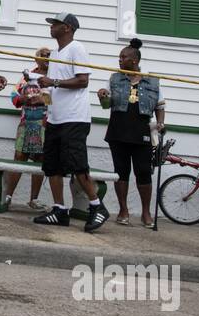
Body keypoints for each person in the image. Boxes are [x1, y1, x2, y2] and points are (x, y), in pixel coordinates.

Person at [33, 13, 108, 232]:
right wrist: (43, 99)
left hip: (75, 118)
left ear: (67, 28)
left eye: (54, 24)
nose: (51, 27)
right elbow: (56, 88)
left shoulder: (77, 48)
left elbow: (83, 81)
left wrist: (53, 81)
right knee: (52, 166)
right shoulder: (56, 53)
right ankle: (59, 210)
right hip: (56, 118)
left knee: (77, 164)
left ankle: (97, 206)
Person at [98, 38, 165, 227]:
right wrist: (102, 95)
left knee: (143, 172)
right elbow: (106, 106)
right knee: (121, 172)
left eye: (123, 57)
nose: (119, 60)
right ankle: (123, 210)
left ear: (134, 60)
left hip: (142, 131)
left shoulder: (152, 81)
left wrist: (160, 123)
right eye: (120, 57)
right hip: (118, 130)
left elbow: (160, 105)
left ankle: (146, 213)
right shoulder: (114, 78)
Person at [3, 47, 51, 211]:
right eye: (44, 56)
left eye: (49, 56)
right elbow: (14, 96)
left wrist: (39, 99)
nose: (47, 59)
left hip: (45, 123)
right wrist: (25, 98)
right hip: (26, 122)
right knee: (19, 157)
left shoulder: (53, 77)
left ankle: (34, 199)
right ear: (36, 59)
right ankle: (8, 196)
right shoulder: (27, 77)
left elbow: (54, 99)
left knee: (40, 160)